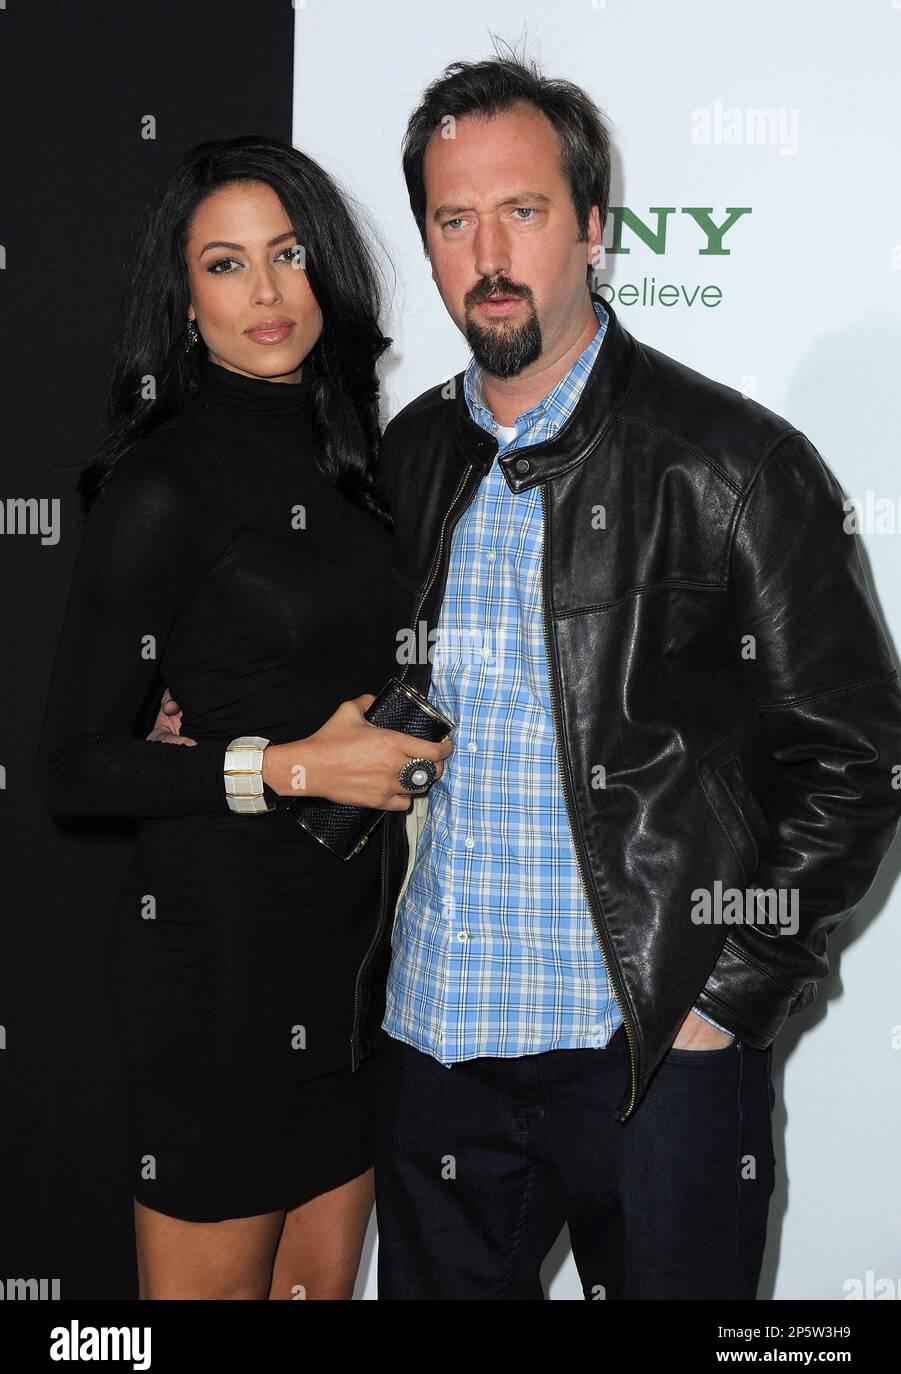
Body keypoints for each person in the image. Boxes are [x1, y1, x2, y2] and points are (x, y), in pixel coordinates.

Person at [364, 50, 901, 1298]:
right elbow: (383, 694)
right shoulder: (410, 456)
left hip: (649, 1048)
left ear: (596, 230)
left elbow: (857, 755)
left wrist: (727, 996)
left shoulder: (730, 463)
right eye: (454, 219)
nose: (488, 251)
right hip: (438, 1039)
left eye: (525, 210)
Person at [37, 134, 451, 1301]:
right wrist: (284, 768)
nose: (265, 294)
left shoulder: (368, 459)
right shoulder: (162, 484)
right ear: (182, 298)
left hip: (355, 975)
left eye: (287, 255)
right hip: (214, 979)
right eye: (225, 265)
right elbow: (73, 765)